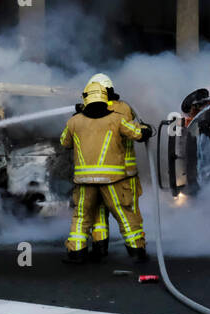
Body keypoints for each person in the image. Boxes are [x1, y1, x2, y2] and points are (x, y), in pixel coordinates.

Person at [59, 74, 153, 264]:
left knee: (84, 216)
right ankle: (136, 252)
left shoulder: (74, 120)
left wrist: (78, 115)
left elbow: (64, 143)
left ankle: (78, 252)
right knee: (125, 214)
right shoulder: (118, 116)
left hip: (84, 181)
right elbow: (137, 133)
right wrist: (147, 130)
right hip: (114, 178)